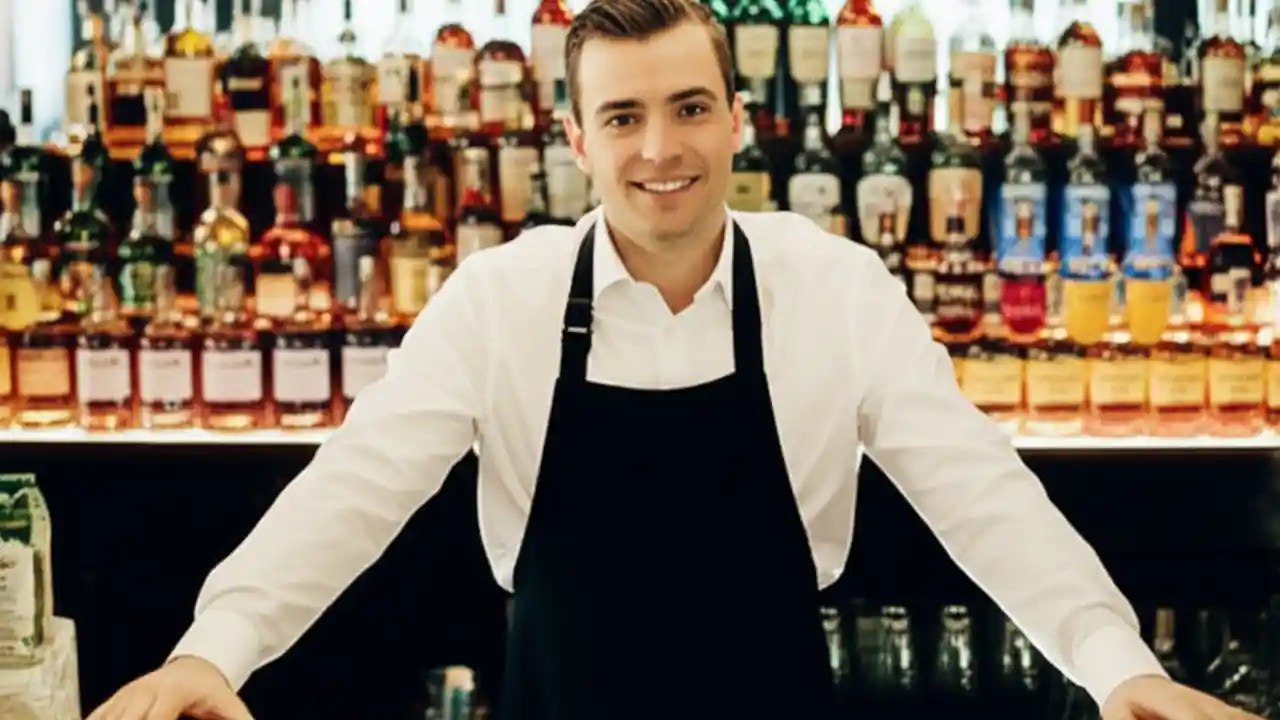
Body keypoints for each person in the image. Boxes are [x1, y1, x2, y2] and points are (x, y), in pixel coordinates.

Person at [90, 2, 1259, 719]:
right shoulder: (503, 300)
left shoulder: (832, 288)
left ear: (738, 119)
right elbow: (353, 490)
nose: (660, 149)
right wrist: (214, 649)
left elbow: (980, 491)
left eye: (689, 107)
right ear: (574, 140)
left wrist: (1114, 666)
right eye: (622, 117)